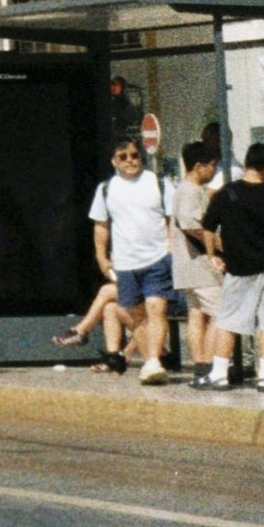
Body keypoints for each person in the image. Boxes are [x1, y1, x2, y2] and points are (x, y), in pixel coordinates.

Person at [191, 144, 264, 391]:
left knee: (228, 321)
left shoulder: (227, 193)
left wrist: (211, 255)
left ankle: (219, 374)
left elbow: (208, 226)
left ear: (245, 164)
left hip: (238, 268)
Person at [86, 139, 178, 384]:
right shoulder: (106, 189)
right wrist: (101, 257)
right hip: (126, 263)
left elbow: (172, 218)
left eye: (134, 155)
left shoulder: (158, 183)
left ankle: (154, 361)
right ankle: (152, 361)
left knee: (157, 308)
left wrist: (171, 248)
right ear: (114, 161)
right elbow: (101, 225)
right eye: (123, 156)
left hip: (157, 258)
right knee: (137, 317)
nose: (130, 161)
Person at [166, 143, 221, 377]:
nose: (213, 171)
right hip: (198, 263)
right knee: (221, 312)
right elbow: (192, 225)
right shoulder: (190, 191)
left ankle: (200, 362)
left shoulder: (186, 190)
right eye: (212, 166)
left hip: (186, 264)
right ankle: (208, 362)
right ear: (198, 166)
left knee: (197, 313)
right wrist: (219, 247)